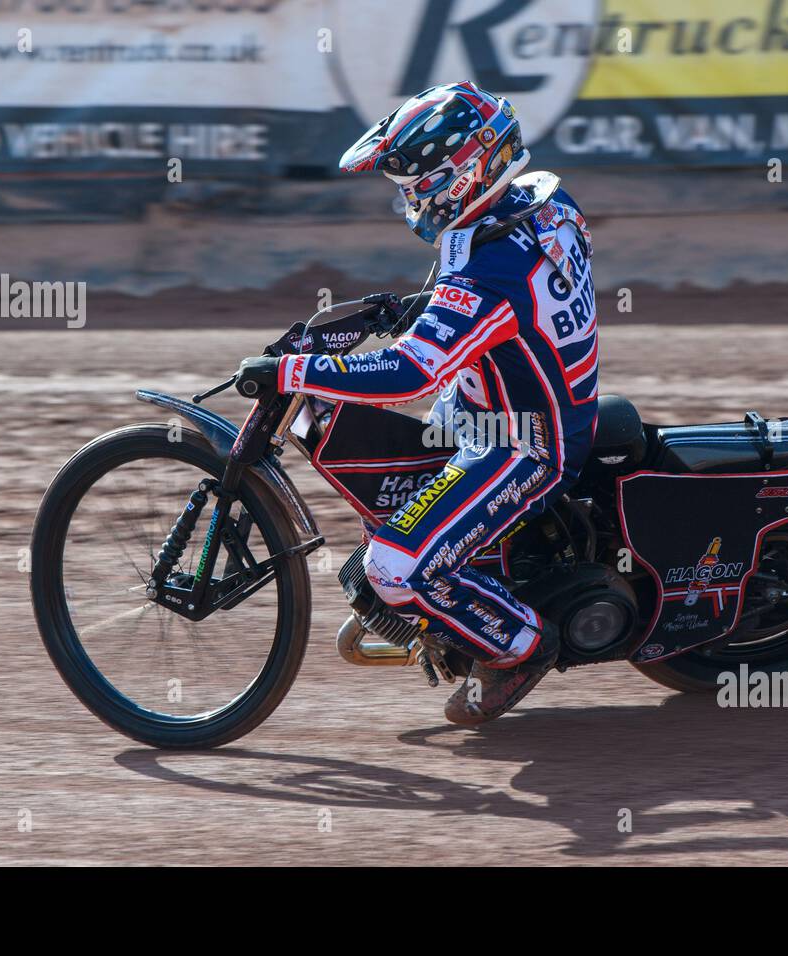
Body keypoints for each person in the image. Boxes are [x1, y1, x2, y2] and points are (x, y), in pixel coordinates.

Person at [234, 81, 599, 725]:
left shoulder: (486, 271)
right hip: (498, 401)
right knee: (392, 487)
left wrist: (296, 369)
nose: (409, 196)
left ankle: (518, 646)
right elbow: (487, 294)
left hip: (524, 443)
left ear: (462, 170)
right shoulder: (541, 200)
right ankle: (462, 587)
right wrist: (416, 308)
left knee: (394, 567)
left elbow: (409, 373)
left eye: (415, 183)